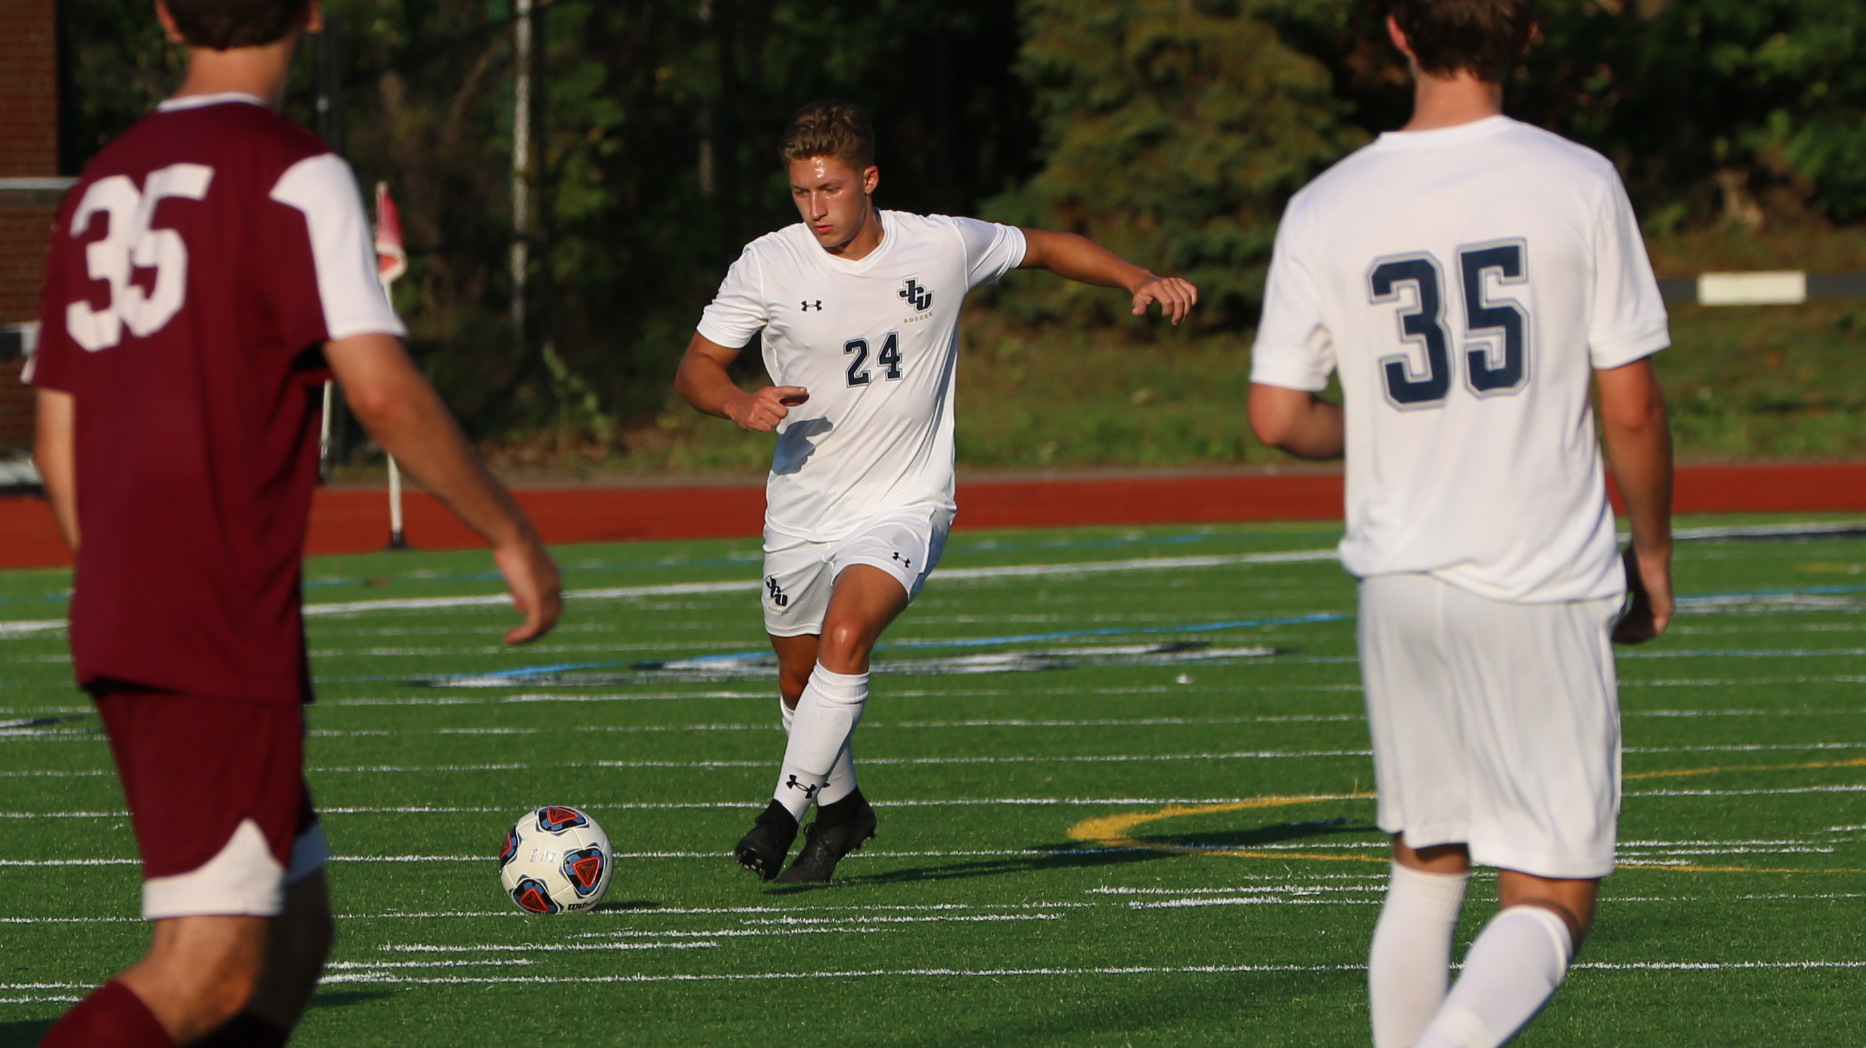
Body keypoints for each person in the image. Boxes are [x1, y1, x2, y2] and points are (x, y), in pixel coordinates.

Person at [29, 2, 563, 1045]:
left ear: (166, 15)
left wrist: (131, 583)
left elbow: (56, 440)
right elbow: (381, 389)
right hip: (214, 616)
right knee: (208, 963)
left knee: (294, 936)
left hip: (135, 604)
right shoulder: (292, 169)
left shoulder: (98, 185)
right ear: (312, 13)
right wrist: (510, 532)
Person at [1246, 2, 1674, 1045]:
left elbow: (1279, 417)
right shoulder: (1576, 180)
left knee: (1426, 866)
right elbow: (1631, 407)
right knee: (1551, 891)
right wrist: (1655, 554)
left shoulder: (1327, 201)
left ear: (1398, 32)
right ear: (1527, 33)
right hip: (1536, 575)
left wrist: (1395, 431)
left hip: (1399, 583)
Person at [677, 100, 1198, 882]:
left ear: (869, 179)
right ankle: (843, 810)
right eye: (800, 192)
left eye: (829, 189)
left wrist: (1138, 276)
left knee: (847, 637)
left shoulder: (941, 244)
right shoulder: (768, 263)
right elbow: (695, 368)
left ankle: (781, 814)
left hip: (906, 503)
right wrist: (734, 402)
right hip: (802, 507)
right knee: (798, 677)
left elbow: (1045, 247)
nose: (815, 209)